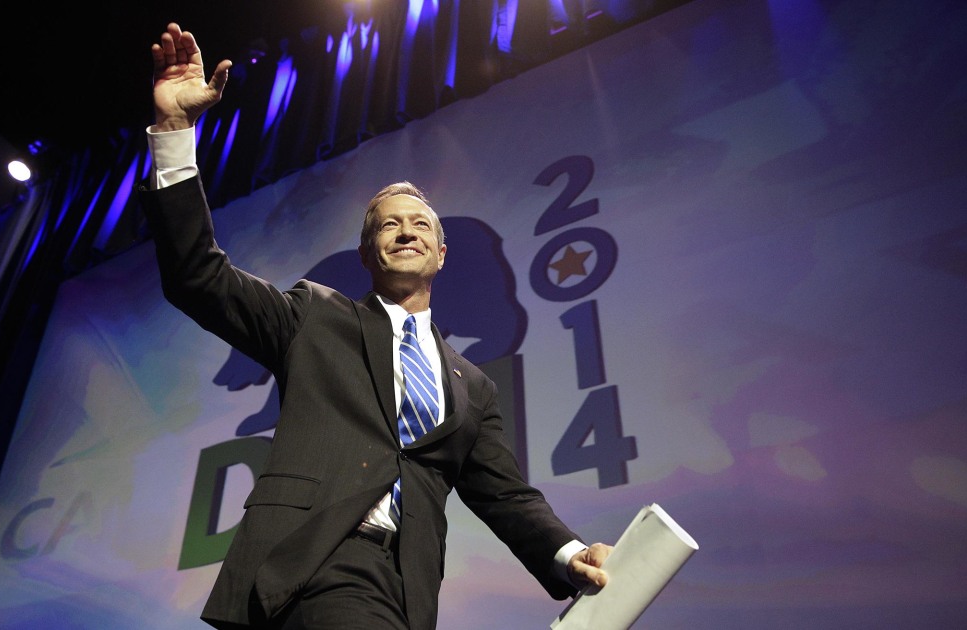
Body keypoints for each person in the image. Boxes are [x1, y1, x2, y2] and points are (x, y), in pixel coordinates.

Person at [140, 22, 613, 630]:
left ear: (442, 253)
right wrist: (176, 132)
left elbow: (506, 494)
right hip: (314, 561)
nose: (408, 230)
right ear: (367, 254)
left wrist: (572, 556)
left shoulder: (474, 386)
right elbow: (197, 277)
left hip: (406, 587)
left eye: (421, 224)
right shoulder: (314, 316)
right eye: (389, 225)